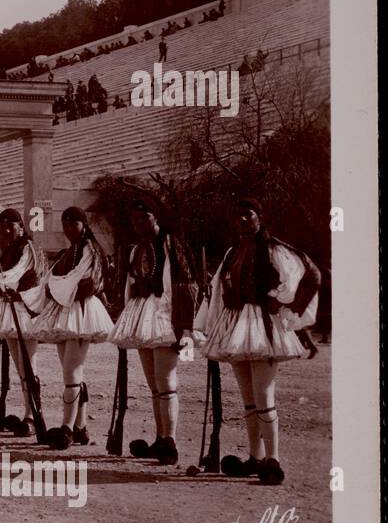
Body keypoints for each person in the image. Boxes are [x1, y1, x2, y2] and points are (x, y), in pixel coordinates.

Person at [194, 198, 321, 485]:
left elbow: (308, 275)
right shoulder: (232, 252)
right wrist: (210, 324)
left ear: (259, 218)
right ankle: (255, 456)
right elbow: (217, 290)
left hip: (263, 327)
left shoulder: (276, 250)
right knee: (249, 398)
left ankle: (273, 458)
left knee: (264, 396)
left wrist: (284, 304)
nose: (242, 221)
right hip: (235, 324)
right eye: (237, 216)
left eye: (247, 215)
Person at [108, 196, 198, 465]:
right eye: (134, 219)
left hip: (166, 316)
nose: (138, 223)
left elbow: (186, 285)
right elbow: (128, 285)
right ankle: (160, 438)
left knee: (166, 380)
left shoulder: (171, 245)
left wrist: (185, 328)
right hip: (142, 318)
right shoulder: (136, 251)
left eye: (143, 217)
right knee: (154, 384)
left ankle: (170, 440)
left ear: (155, 217)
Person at [33, 207, 114, 448]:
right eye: (65, 225)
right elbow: (55, 279)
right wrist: (55, 286)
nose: (69, 229)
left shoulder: (90, 250)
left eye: (73, 224)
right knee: (72, 373)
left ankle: (67, 427)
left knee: (71, 373)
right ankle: (79, 427)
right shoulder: (70, 252)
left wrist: (56, 287)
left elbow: (85, 282)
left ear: (83, 224)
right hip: (66, 310)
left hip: (80, 310)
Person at [0, 209, 47, 428]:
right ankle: (28, 411)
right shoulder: (8, 249)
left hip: (25, 306)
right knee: (20, 365)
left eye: (11, 226)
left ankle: (33, 413)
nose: (7, 230)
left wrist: (1, 281)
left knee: (29, 363)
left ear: (20, 225)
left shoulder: (29, 247)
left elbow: (20, 272)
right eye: (4, 227)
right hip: (11, 307)